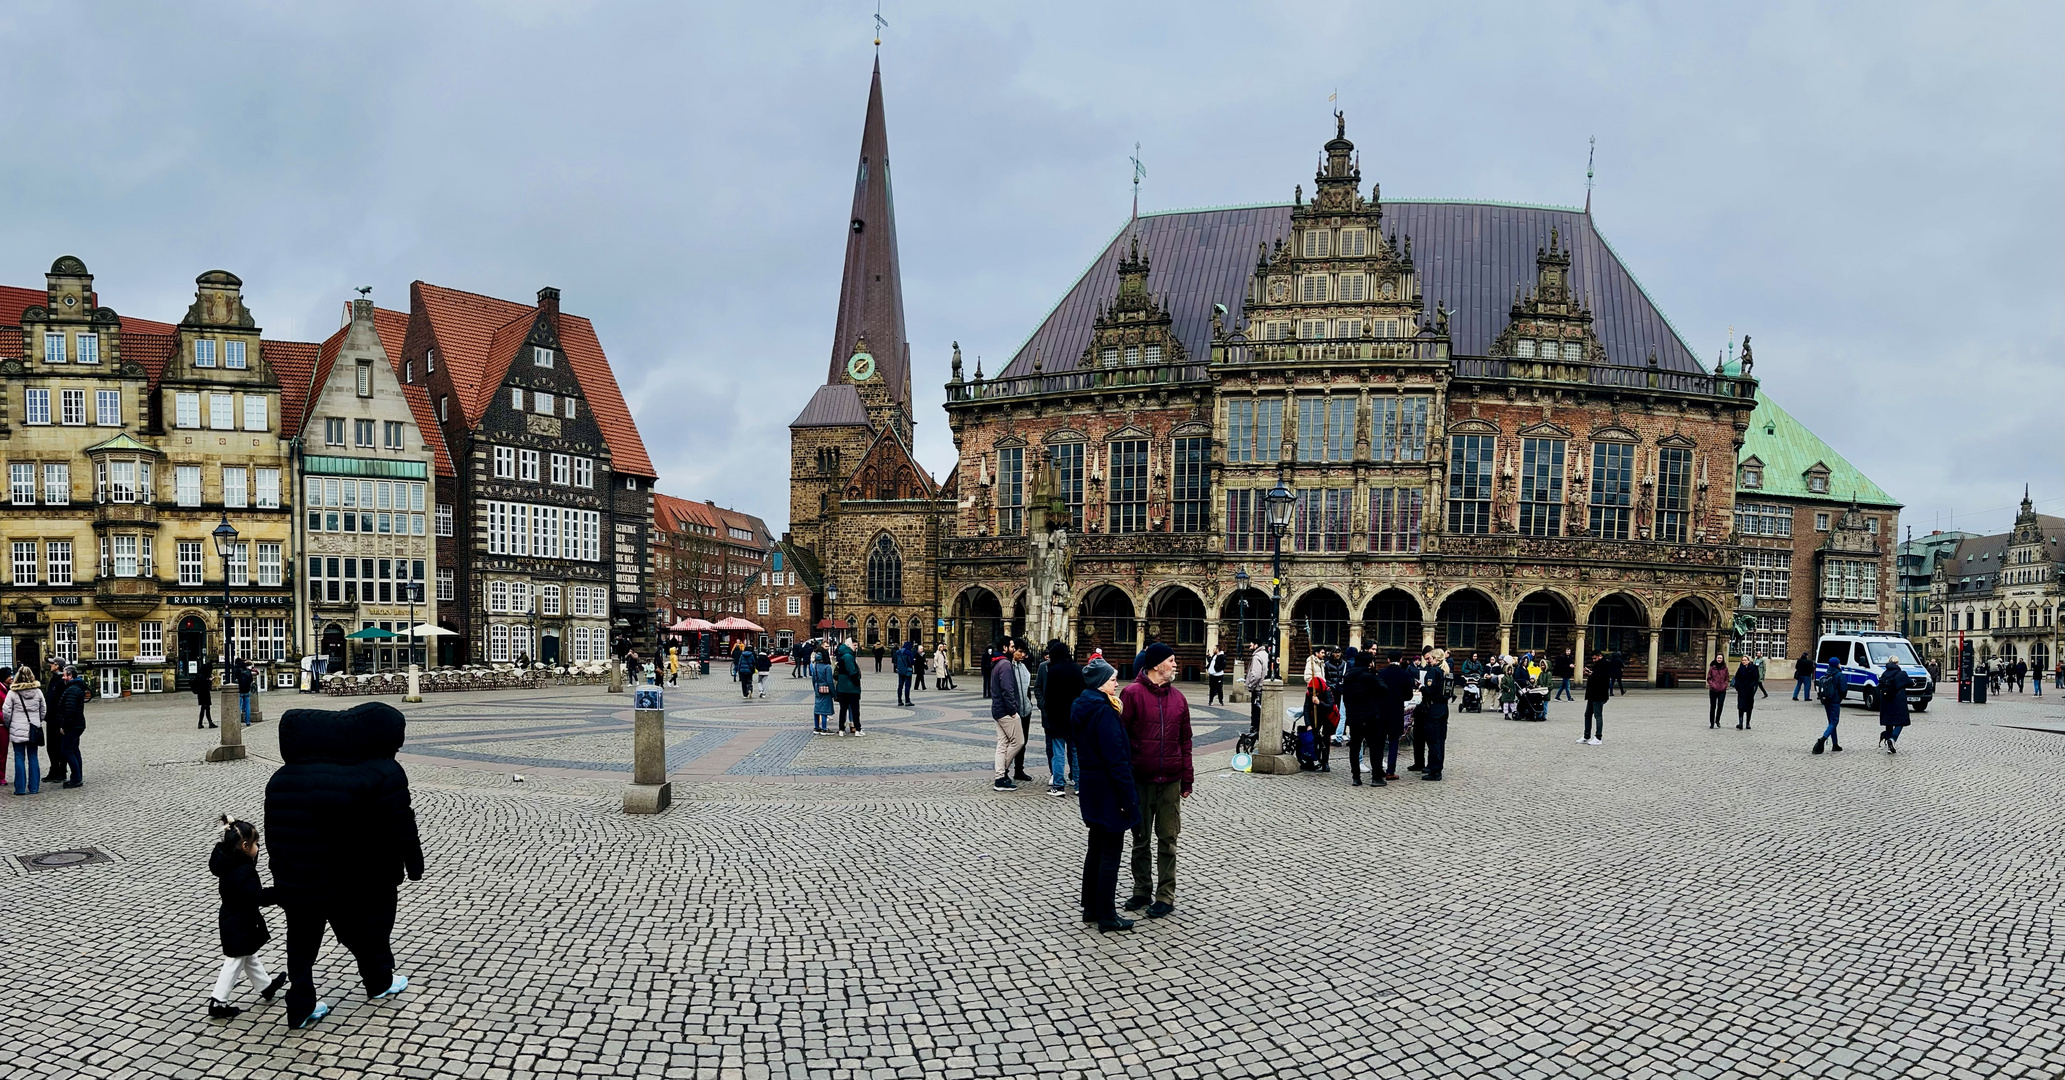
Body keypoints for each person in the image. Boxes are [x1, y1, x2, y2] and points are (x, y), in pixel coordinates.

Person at [265, 702, 424, 1029]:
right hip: (355, 878)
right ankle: (379, 981)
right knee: (367, 932)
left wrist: (283, 873)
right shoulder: (383, 770)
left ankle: (301, 1004)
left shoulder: (281, 778)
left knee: (301, 942)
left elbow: (275, 833)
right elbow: (401, 823)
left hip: (297, 877)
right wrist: (414, 863)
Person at [1120, 643, 1192, 917]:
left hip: (1170, 782)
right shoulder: (1132, 694)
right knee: (1140, 840)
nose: (1175, 665)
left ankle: (1165, 895)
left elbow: (1185, 741)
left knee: (1168, 840)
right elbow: (1121, 740)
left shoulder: (1179, 699)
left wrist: (1187, 779)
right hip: (1141, 779)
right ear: (1156, 665)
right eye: (1171, 660)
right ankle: (1141, 890)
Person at [1070, 658, 1138, 933]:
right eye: (1113, 680)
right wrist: (1128, 797)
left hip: (1091, 787)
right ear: (1100, 683)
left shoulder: (1081, 705)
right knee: (1110, 852)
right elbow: (1116, 759)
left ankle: (1091, 907)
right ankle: (1107, 915)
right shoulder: (1104, 712)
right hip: (1109, 789)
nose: (1117, 683)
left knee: (1095, 848)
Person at [207, 815, 288, 1019]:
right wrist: (279, 893)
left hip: (232, 917)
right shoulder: (243, 870)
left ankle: (266, 986)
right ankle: (218, 1001)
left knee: (247, 955)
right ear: (245, 846)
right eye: (256, 844)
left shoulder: (229, 864)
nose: (258, 847)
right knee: (235, 960)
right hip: (239, 921)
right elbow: (255, 896)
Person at [1042, 640, 1085, 796]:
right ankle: (1079, 785)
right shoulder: (1079, 669)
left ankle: (1059, 785)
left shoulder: (1054, 671)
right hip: (1075, 717)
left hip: (1058, 718)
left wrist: (1049, 713)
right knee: (1075, 752)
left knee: (1058, 752)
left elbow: (1049, 696)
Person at [1341, 652, 1386, 788]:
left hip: (1354, 717)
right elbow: (1384, 689)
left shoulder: (1348, 676)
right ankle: (1376, 777)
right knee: (1375, 746)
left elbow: (1345, 697)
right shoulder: (1370, 677)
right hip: (1369, 716)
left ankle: (1356, 777)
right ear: (1369, 663)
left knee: (1355, 746)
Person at [990, 638, 1028, 791]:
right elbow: (1007, 689)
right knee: (1018, 741)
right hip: (1006, 711)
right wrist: (1013, 711)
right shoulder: (1005, 664)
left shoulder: (997, 663)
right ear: (1005, 647)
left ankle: (1000, 778)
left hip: (997, 710)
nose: (1014, 648)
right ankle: (1001, 773)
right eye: (1012, 646)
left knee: (1002, 743)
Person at [6, 666, 46, 796]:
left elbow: (6, 712)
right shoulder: (38, 692)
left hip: (17, 729)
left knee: (19, 757)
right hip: (33, 729)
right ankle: (34, 787)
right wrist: (37, 722)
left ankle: (20, 788)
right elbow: (43, 711)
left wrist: (9, 724)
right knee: (33, 757)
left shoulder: (12, 693)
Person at [1376, 650, 1414, 781]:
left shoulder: (1381, 673)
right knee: (1393, 742)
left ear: (1388, 660)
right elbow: (1409, 695)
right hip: (1396, 711)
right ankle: (1390, 770)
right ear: (1401, 660)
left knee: (1380, 741)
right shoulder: (1405, 675)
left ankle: (1378, 768)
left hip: (1382, 711)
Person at [48, 663, 86, 788]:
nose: (62, 678)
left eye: (64, 675)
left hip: (72, 725)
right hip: (77, 724)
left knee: (67, 750)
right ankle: (78, 776)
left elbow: (70, 711)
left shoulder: (72, 689)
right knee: (74, 749)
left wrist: (63, 726)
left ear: (70, 676)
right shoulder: (74, 687)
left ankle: (76, 778)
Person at [1416, 649, 1451, 780]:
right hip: (1443, 707)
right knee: (1441, 739)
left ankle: (1435, 770)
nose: (1428, 660)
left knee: (1433, 739)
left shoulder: (1433, 671)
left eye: (1430, 658)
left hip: (1434, 707)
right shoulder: (1446, 671)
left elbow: (1429, 691)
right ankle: (1437, 766)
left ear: (1436, 658)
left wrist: (1421, 687)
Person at [1302, 672, 1336, 772]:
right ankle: (1310, 759)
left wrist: (1319, 703)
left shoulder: (1327, 691)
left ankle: (1325, 761)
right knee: (1311, 736)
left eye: (1316, 692)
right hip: (1314, 715)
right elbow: (1306, 709)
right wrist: (1308, 725)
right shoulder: (1309, 694)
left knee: (1326, 738)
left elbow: (1330, 707)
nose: (1314, 694)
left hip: (1326, 716)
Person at [1814, 654, 1846, 754]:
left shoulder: (1826, 674)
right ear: (1837, 664)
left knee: (1831, 722)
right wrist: (1841, 697)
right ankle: (1823, 738)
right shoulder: (1839, 675)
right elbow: (1843, 689)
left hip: (1826, 700)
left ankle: (1835, 744)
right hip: (1835, 701)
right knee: (1834, 722)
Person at [1877, 659, 1911, 752]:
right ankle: (1892, 739)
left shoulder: (1884, 673)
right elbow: (1910, 683)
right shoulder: (1901, 674)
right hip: (1898, 702)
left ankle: (1889, 746)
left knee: (1889, 723)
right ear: (1896, 663)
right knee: (1901, 722)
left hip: (1886, 701)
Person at [833, 636, 864, 736]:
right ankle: (857, 729)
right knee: (855, 709)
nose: (856, 647)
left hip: (842, 687)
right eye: (855, 645)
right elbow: (852, 671)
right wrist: (856, 681)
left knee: (843, 709)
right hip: (850, 688)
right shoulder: (848, 656)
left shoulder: (843, 654)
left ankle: (841, 729)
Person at [1581, 650, 1610, 746]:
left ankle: (1598, 737)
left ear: (1599, 656)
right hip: (1592, 694)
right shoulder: (1598, 664)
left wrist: (1591, 674)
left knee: (1598, 716)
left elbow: (1602, 679)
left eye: (1595, 658)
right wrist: (1590, 673)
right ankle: (1586, 736)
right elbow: (1596, 676)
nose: (1593, 660)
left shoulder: (1605, 665)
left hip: (1599, 694)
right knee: (1587, 715)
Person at [1733, 656, 1767, 729]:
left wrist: (1751, 686)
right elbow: (1737, 678)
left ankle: (1748, 723)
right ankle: (1740, 722)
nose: (1743, 661)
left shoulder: (1753, 668)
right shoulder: (1740, 668)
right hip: (1741, 690)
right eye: (1742, 660)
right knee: (1741, 706)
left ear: (1748, 661)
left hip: (1749, 690)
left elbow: (1756, 678)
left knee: (1749, 707)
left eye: (1745, 660)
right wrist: (1738, 686)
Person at [808, 649, 836, 735]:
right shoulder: (827, 667)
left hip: (817, 687)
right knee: (825, 709)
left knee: (817, 708)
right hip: (825, 689)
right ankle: (824, 728)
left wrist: (815, 688)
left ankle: (816, 727)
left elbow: (813, 679)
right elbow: (830, 681)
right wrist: (834, 693)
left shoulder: (815, 666)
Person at [1244, 642, 1269, 734]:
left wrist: (1251, 686)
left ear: (1256, 645)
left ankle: (1255, 732)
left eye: (1251, 645)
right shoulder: (1266, 655)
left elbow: (1256, 675)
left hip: (1258, 688)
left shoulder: (1256, 657)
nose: (1249, 647)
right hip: (1264, 687)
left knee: (1255, 713)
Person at [1705, 655, 1730, 729]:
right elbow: (1709, 678)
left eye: (1721, 658)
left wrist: (1725, 685)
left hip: (1722, 689)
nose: (1719, 659)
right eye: (1718, 658)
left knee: (1720, 705)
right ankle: (1712, 722)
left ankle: (1717, 720)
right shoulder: (1712, 668)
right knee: (1713, 706)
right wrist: (1712, 685)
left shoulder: (1725, 668)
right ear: (1716, 659)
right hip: (1713, 689)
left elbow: (1727, 678)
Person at [195, 656, 217, 730]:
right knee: (205, 707)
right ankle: (202, 723)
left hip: (201, 693)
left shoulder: (200, 675)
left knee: (205, 708)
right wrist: (209, 680)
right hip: (204, 693)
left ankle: (205, 723)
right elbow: (205, 685)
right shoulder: (202, 677)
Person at [234, 658, 256, 726]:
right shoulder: (247, 670)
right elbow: (251, 680)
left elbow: (234, 679)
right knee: (247, 706)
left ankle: (238, 721)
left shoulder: (237, 670)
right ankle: (248, 722)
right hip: (247, 690)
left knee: (239, 707)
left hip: (240, 690)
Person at [893, 639, 914, 707]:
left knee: (900, 686)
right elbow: (911, 662)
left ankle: (899, 701)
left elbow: (895, 661)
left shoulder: (898, 652)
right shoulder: (909, 652)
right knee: (907, 686)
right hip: (907, 671)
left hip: (900, 671)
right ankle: (907, 701)